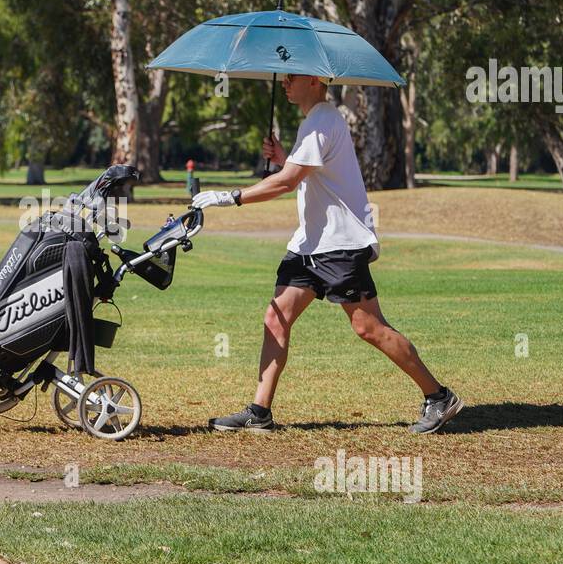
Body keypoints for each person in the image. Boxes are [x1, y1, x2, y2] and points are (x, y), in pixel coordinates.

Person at [191, 73, 463, 434]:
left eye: (293, 77)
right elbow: (308, 173)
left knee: (369, 327)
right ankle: (260, 411)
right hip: (308, 245)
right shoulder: (314, 121)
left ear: (317, 80)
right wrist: (286, 157)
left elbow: (287, 182)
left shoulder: (323, 119)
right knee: (276, 318)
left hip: (340, 246)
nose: (285, 82)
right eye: (284, 77)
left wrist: (230, 196)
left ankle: (439, 396)